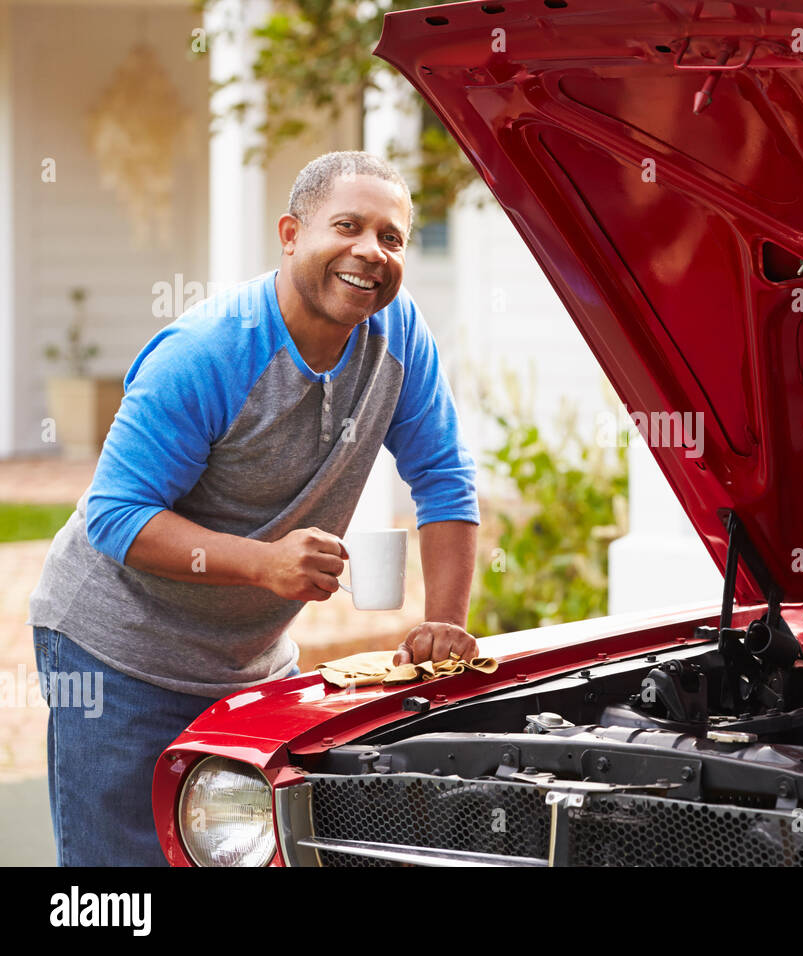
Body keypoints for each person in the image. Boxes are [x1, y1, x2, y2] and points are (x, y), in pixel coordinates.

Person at [27, 151, 481, 866]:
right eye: (348, 225)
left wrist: (446, 622)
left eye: (391, 237)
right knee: (121, 879)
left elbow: (445, 478)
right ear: (291, 233)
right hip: (116, 650)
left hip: (251, 659)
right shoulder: (208, 353)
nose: (371, 251)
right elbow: (117, 516)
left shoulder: (399, 340)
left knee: (249, 853)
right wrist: (265, 563)